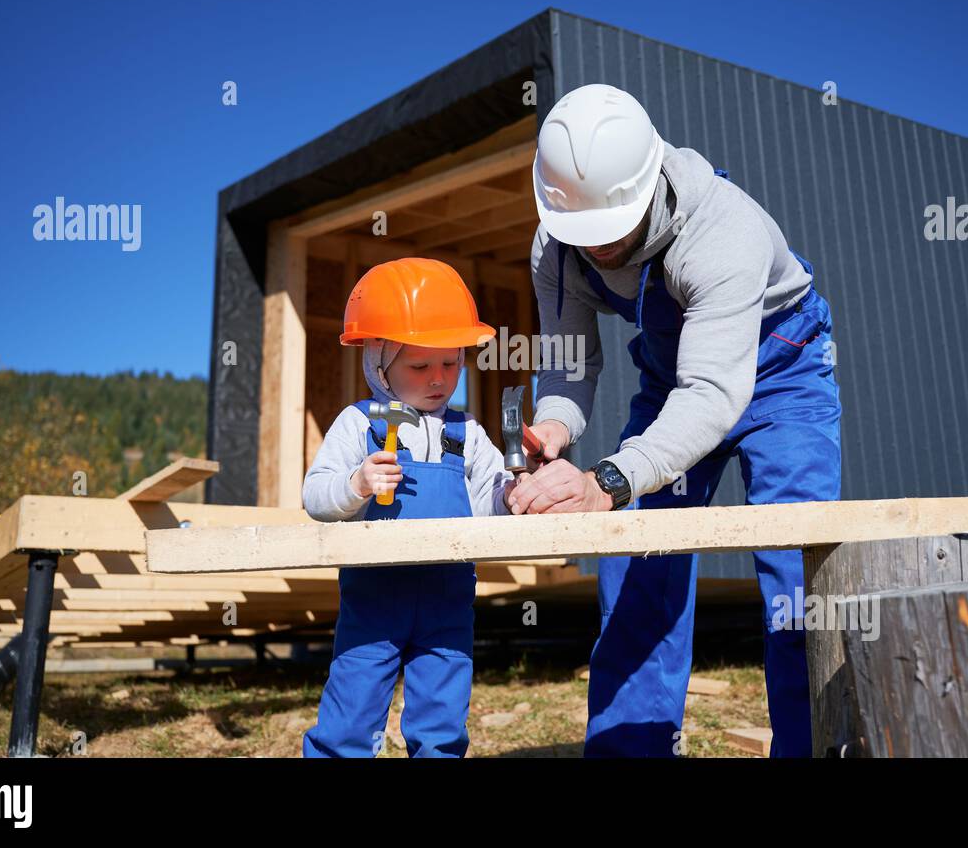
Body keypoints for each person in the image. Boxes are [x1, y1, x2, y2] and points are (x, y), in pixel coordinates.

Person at [508, 83, 842, 758]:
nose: (596, 249)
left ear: (647, 185)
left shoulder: (725, 231)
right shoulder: (555, 243)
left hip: (782, 373)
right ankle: (630, 749)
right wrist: (554, 428)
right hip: (671, 384)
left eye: (612, 233)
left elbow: (713, 397)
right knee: (639, 558)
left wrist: (608, 479)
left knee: (797, 570)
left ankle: (812, 747)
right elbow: (571, 366)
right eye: (583, 235)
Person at [301, 257, 516, 758]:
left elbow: (491, 507)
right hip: (376, 598)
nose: (439, 378)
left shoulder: (469, 434)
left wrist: (514, 497)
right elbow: (315, 495)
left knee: (443, 713)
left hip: (447, 596)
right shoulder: (358, 424)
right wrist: (356, 483)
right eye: (420, 366)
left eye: (451, 362)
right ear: (379, 364)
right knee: (353, 707)